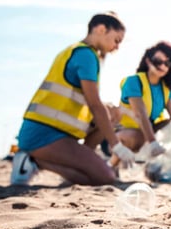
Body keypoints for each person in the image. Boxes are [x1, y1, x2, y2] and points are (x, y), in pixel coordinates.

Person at [10, 12, 135, 186]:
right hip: (44, 134)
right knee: (105, 177)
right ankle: (34, 161)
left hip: (53, 131)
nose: (117, 47)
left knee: (111, 114)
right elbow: (94, 105)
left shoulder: (75, 51)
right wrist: (116, 145)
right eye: (116, 40)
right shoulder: (86, 55)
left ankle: (80, 163)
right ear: (100, 29)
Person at [109, 41, 171, 169]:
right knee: (131, 137)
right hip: (125, 133)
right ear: (148, 61)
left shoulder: (165, 89)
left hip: (150, 133)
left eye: (167, 63)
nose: (163, 66)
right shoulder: (134, 82)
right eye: (158, 61)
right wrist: (153, 143)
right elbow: (140, 114)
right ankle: (112, 165)